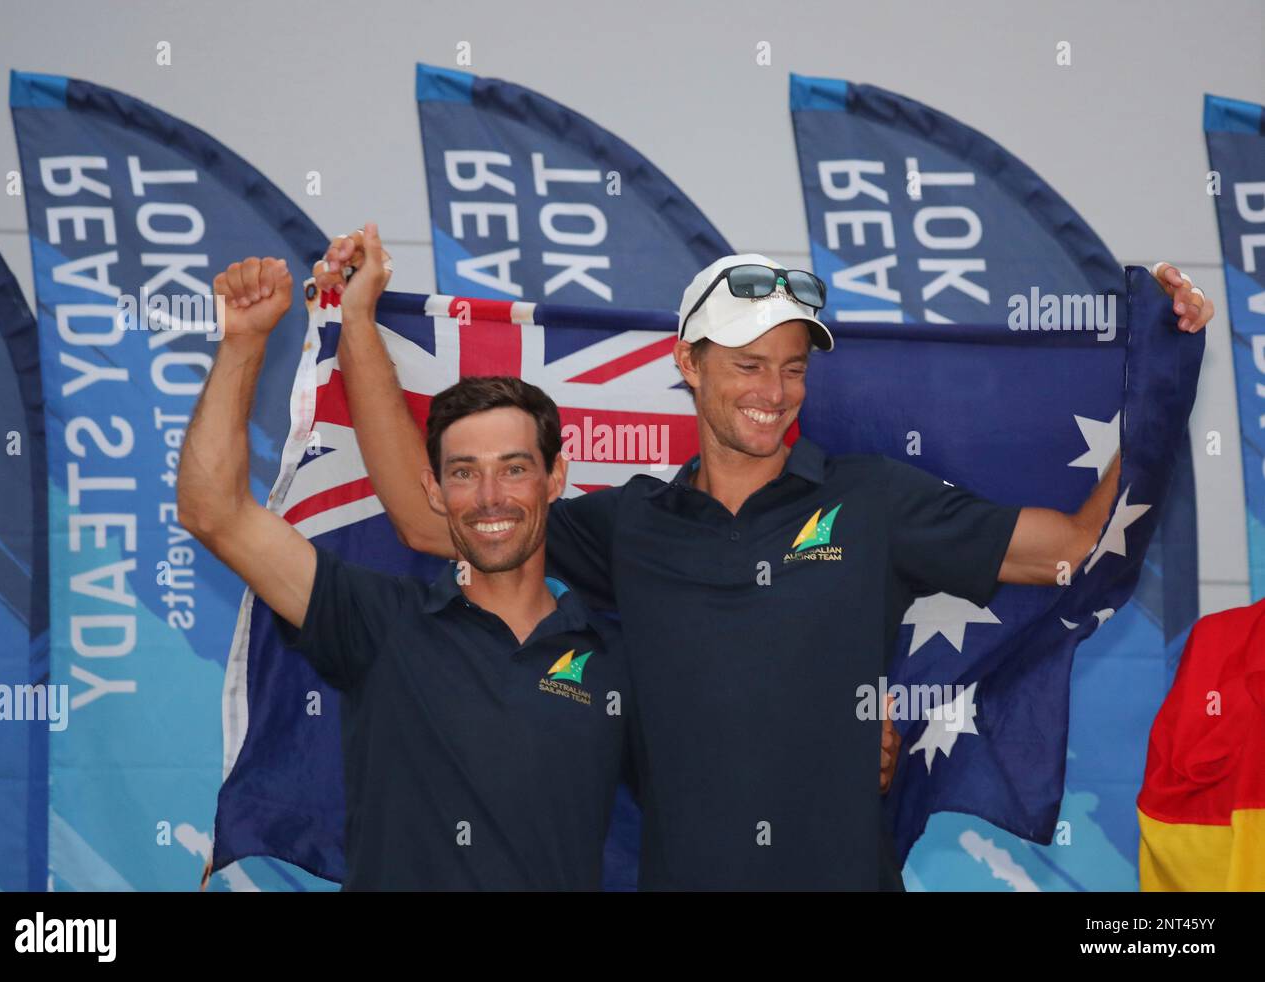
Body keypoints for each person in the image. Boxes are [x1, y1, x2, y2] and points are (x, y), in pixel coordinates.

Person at [319, 226, 1212, 889]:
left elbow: (1069, 548)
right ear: (688, 365)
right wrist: (357, 322)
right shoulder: (632, 525)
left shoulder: (871, 500)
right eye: (747, 365)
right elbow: (427, 521)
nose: (773, 393)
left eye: (791, 367)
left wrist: (1162, 381)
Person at [178, 256, 631, 890]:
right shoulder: (380, 622)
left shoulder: (618, 659)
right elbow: (214, 513)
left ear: (556, 479)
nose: (492, 495)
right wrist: (245, 341)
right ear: (436, 491)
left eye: (515, 468)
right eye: (465, 472)